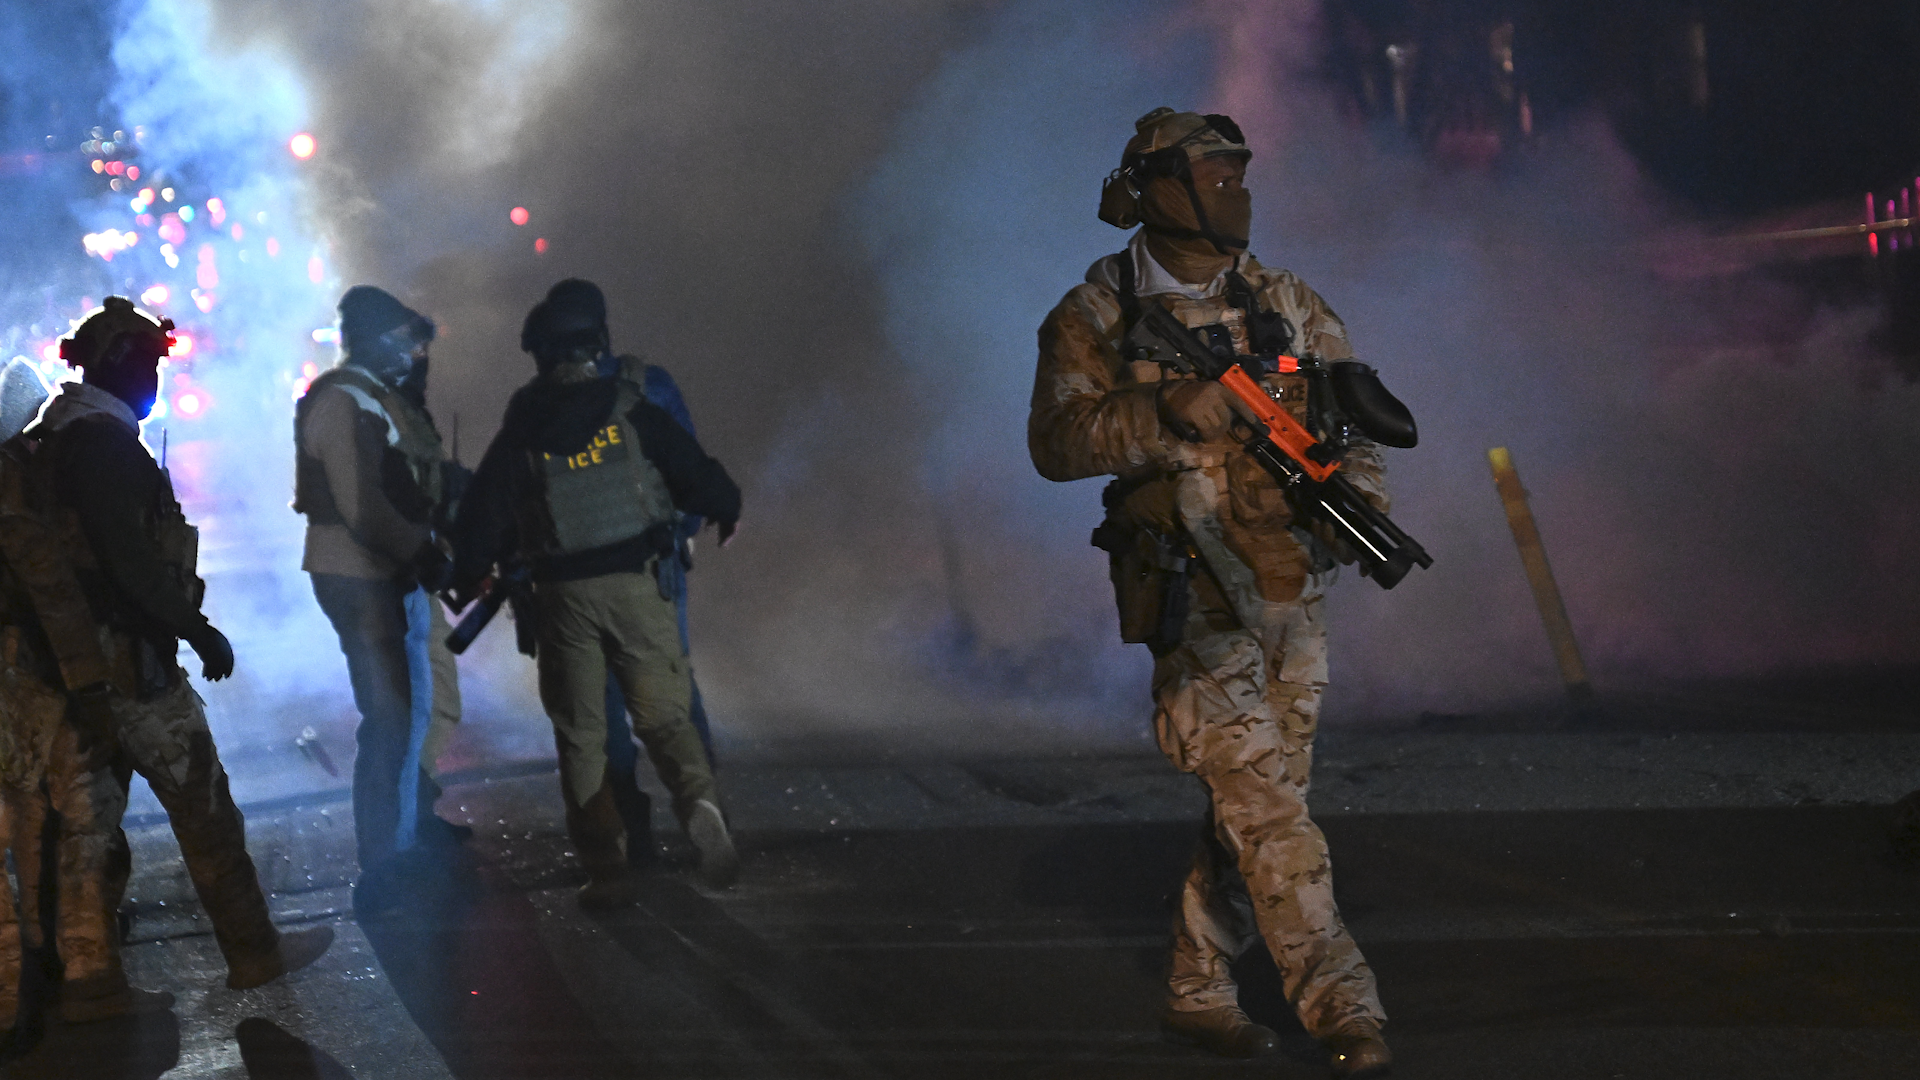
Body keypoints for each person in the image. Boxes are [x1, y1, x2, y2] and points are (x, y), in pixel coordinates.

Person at [1027, 109, 1393, 1077]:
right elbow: (1055, 442)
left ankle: (1196, 992)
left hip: (1286, 587)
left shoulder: (1288, 301)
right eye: (1216, 178)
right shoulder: (1096, 313)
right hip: (1188, 594)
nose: (1239, 194)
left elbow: (1352, 422)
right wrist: (1160, 410)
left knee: (1258, 809)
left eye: (1241, 177)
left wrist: (1358, 506)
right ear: (1158, 190)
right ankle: (1346, 1009)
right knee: (1265, 806)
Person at [23, 297, 332, 1014]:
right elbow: (129, 562)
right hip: (129, 664)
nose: (155, 379)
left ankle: (91, 982)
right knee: (204, 809)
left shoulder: (54, 439)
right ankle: (254, 953)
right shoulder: (103, 445)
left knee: (87, 828)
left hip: (67, 670)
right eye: (149, 364)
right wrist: (195, 628)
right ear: (122, 365)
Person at [452, 278, 741, 906]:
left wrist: (468, 568)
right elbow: (693, 472)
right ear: (598, 339)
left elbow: (486, 512)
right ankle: (699, 804)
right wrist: (722, 509)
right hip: (640, 583)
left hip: (562, 600)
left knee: (583, 734)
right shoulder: (634, 400)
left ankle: (607, 865)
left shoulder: (524, 422)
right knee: (665, 715)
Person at [295, 286, 469, 913]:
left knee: (417, 710)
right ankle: (386, 865)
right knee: (391, 717)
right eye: (402, 339)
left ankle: (405, 834)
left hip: (390, 575)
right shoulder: (343, 402)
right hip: (362, 578)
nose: (414, 352)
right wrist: (421, 551)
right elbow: (363, 506)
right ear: (371, 339)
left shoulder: (378, 398)